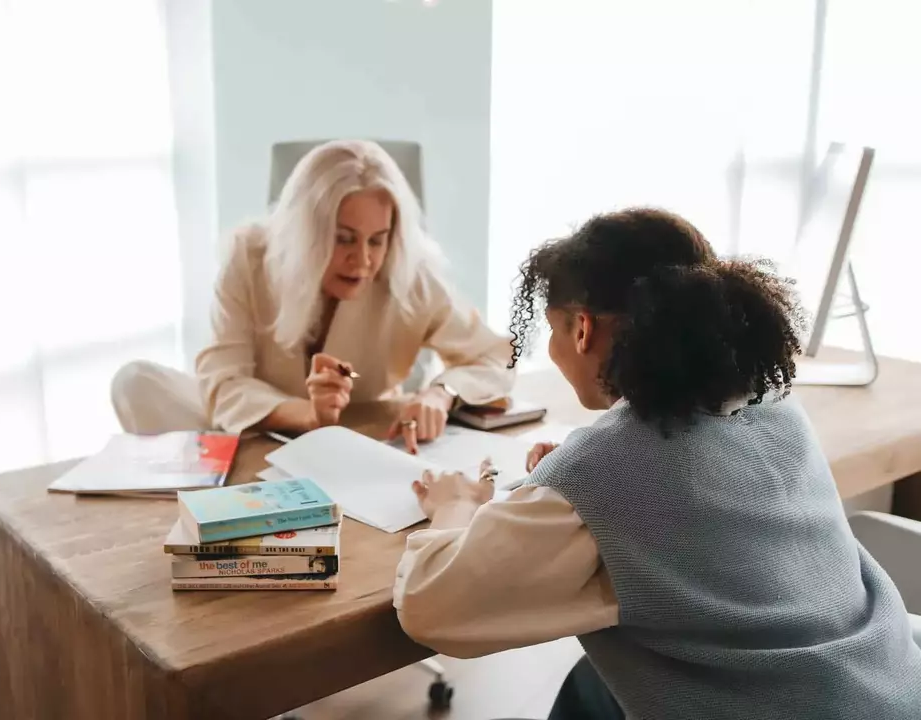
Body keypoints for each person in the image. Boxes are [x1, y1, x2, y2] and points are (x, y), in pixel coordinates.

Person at [394, 208, 921, 719]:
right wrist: (582, 486)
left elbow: (429, 605)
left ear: (582, 329)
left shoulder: (607, 470)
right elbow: (675, 483)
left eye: (553, 333)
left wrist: (456, 508)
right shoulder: (774, 404)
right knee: (592, 685)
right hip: (888, 683)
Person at [111, 139, 513, 450]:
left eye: (378, 239)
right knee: (135, 383)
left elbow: (496, 355)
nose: (363, 260)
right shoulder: (248, 256)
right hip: (256, 429)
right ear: (305, 232)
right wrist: (307, 415)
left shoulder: (411, 273)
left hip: (359, 434)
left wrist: (441, 394)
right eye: (342, 239)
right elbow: (224, 382)